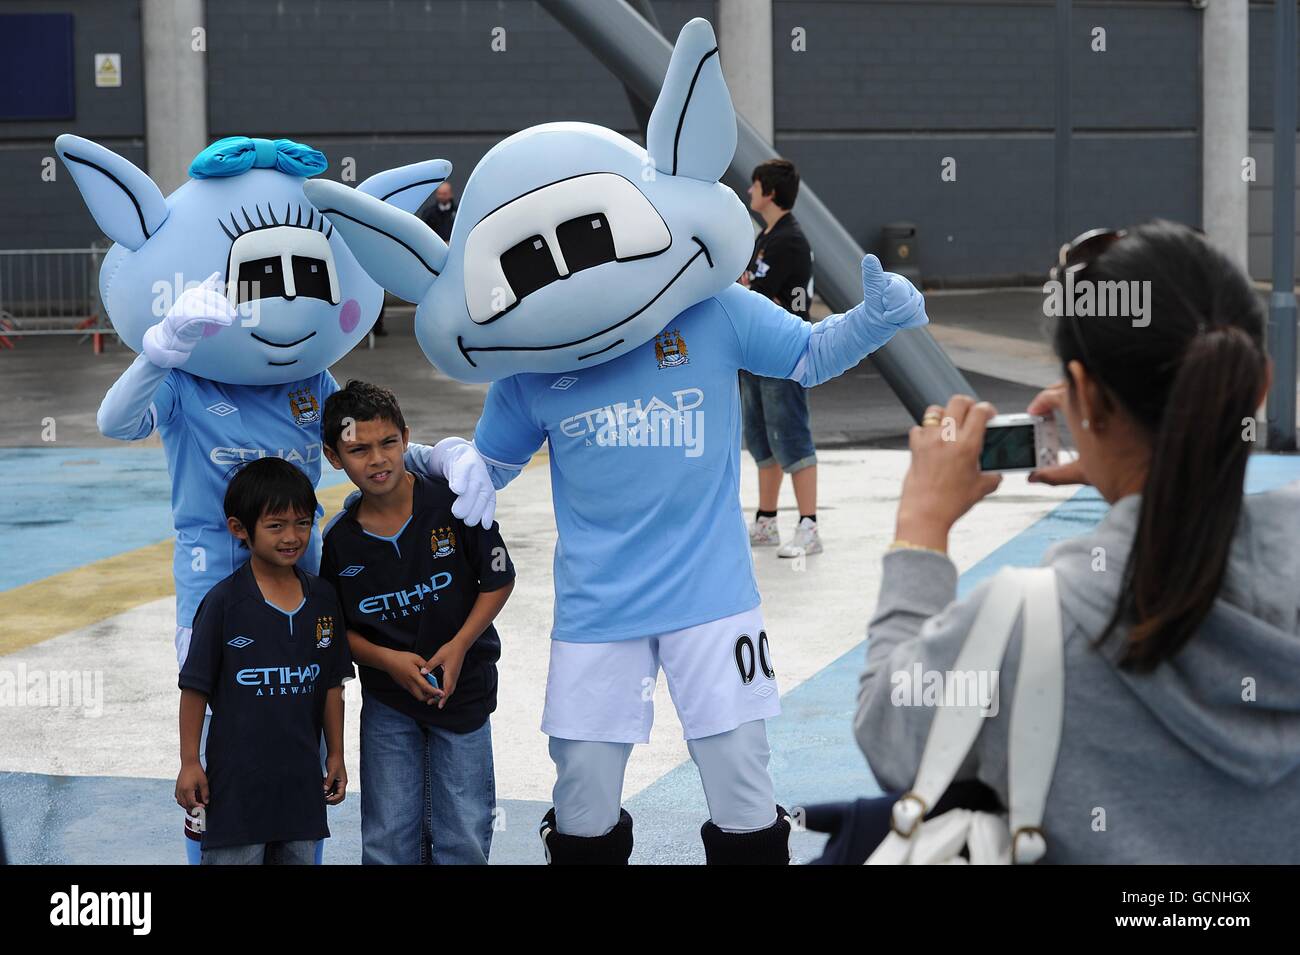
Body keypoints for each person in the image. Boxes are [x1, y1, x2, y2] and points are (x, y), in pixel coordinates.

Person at [305, 17, 928, 865]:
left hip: (714, 600)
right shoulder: (529, 378)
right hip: (599, 612)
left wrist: (877, 321)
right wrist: (412, 456)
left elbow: (810, 355)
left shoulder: (710, 312)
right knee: (586, 800)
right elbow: (480, 470)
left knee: (744, 787)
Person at [56, 133, 497, 862]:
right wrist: (161, 348)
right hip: (213, 584)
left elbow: (358, 441)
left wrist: (443, 453)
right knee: (226, 737)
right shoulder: (188, 382)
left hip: (307, 585)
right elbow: (115, 421)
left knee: (299, 728)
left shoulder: (308, 387)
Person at [854, 221, 1300, 863]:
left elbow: (889, 736)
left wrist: (921, 530)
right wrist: (1137, 462)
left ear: (1084, 392)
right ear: (1256, 387)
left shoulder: (1022, 627)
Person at [320, 381, 515, 864]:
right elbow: (336, 631)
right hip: (389, 703)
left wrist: (460, 644)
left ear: (406, 437)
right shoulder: (340, 542)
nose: (378, 459)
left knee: (465, 831)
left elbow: (498, 580)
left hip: (464, 689)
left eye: (387, 443)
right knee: (388, 836)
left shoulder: (455, 503)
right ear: (333, 456)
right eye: (358, 449)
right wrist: (389, 661)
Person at [175, 457, 352, 865]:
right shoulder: (223, 603)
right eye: (276, 525)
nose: (292, 537)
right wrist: (189, 762)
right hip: (236, 791)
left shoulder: (324, 599)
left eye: (302, 523)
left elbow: (331, 686)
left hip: (301, 792)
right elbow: (194, 689)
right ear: (240, 529)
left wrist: (337, 754)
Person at [739, 159, 820, 557]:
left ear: (769, 191)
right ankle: (767, 520)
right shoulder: (767, 236)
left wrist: (746, 286)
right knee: (760, 438)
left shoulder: (789, 239)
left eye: (755, 186)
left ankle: (809, 526)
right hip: (756, 351)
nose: (750, 192)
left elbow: (753, 291)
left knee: (790, 434)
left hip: (782, 352)